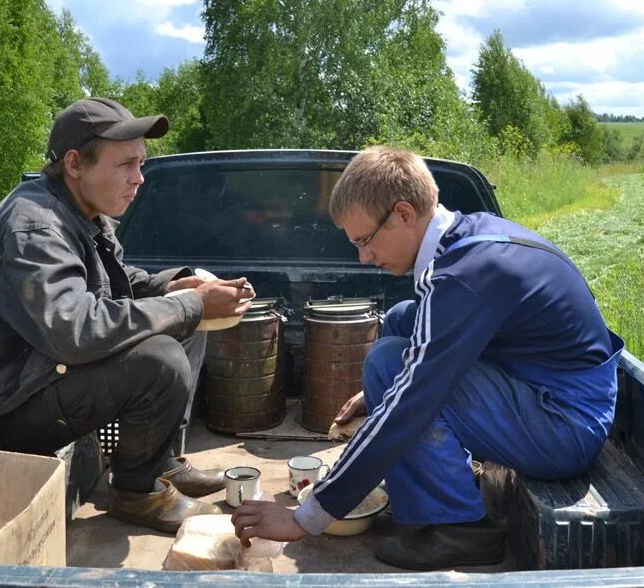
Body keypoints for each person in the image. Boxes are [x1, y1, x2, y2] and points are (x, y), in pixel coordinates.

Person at [232, 146, 624, 570]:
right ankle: (442, 486)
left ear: (403, 213)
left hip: (565, 424)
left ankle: (461, 530)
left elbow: (410, 403)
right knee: (402, 320)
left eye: (364, 240)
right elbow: (420, 341)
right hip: (544, 393)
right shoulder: (465, 240)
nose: (364, 257)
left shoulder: (466, 275)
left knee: (390, 365)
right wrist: (376, 395)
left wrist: (306, 519)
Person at [0, 97, 255, 533]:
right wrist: (190, 305)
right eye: (126, 164)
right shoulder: (34, 226)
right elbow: (75, 331)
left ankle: (159, 463)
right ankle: (136, 493)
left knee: (184, 323)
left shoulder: (81, 209)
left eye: (142, 163)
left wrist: (173, 288)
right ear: (74, 163)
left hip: (38, 376)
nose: (140, 178)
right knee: (160, 355)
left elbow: (112, 280)